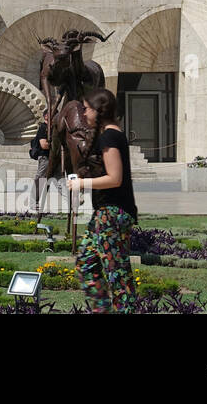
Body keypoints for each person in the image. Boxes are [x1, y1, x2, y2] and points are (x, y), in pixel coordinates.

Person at [68, 88, 138, 313]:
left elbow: (115, 178)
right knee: (86, 264)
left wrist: (82, 184)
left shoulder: (110, 136)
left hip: (113, 214)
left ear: (99, 111)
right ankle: (102, 310)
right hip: (104, 214)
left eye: (87, 109)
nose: (84, 114)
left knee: (118, 275)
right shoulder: (109, 135)